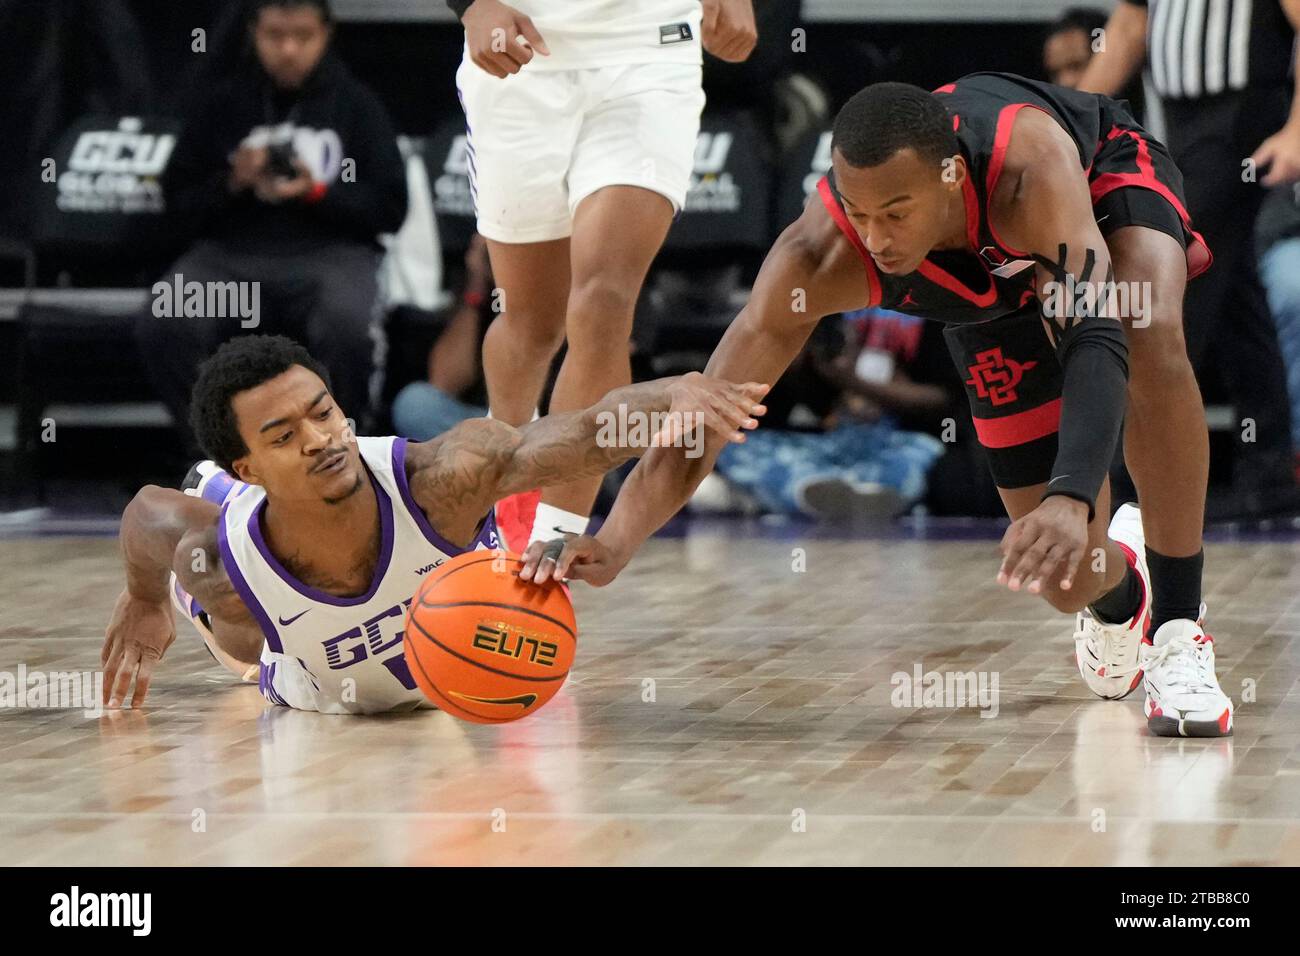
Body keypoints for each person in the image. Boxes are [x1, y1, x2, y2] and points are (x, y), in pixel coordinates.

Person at [523, 73, 1236, 738]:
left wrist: (1074, 495)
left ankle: (1178, 630)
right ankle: (1123, 598)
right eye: (861, 213)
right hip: (993, 301)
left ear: (951, 179)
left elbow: (1093, 335)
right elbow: (711, 415)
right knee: (1064, 579)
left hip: (1099, 183)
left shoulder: (1029, 172)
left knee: (1148, 329)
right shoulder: (820, 255)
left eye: (897, 213)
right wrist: (616, 541)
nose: (878, 239)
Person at [100, 334, 767, 714]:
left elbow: (587, 433)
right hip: (307, 680)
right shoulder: (224, 565)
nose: (321, 438)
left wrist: (675, 393)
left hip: (443, 636)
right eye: (284, 434)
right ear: (249, 467)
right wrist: (146, 597)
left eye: (324, 412)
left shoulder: (444, 480)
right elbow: (143, 515)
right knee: (241, 645)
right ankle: (211, 481)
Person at [446, 0, 757, 551]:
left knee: (604, 301)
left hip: (648, 49)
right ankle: (506, 473)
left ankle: (552, 543)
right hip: (519, 50)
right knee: (532, 323)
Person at [135, 0, 408, 454]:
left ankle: (345, 455)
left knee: (347, 324)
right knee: (167, 316)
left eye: (302, 36)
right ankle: (218, 460)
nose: (288, 50)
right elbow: (175, 206)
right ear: (253, 32)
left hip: (330, 256)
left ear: (326, 33)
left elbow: (391, 210)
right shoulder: (222, 102)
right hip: (230, 258)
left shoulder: (356, 106)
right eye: (275, 35)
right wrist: (233, 182)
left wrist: (317, 193)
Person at [1079, 0, 1300, 516]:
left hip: (1242, 113)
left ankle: (1123, 478)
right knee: (1232, 289)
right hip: (1180, 120)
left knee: (1170, 274)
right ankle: (1268, 473)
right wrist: (1071, 117)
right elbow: (1133, 22)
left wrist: (1296, 128)